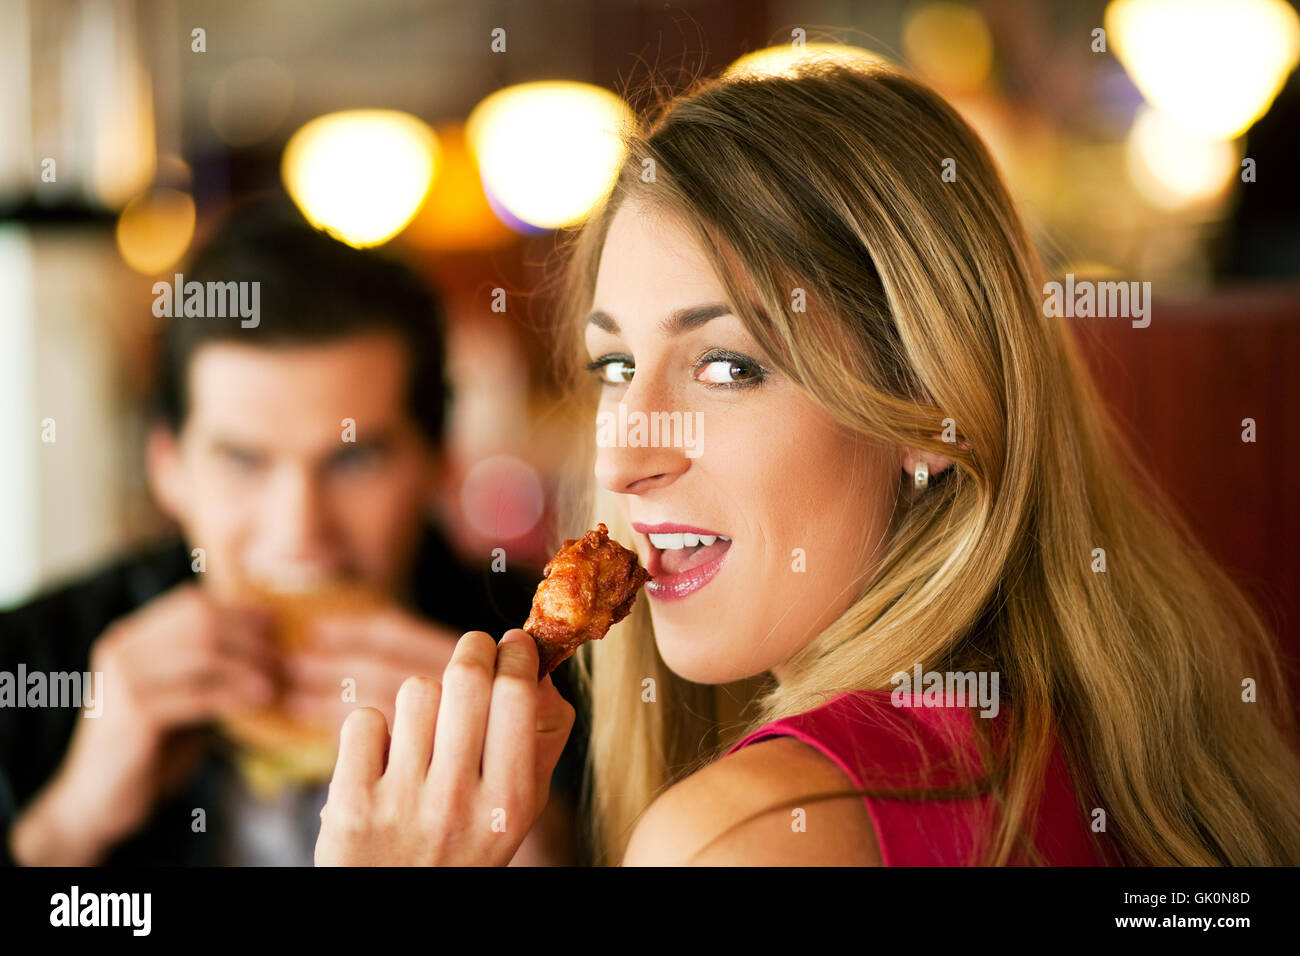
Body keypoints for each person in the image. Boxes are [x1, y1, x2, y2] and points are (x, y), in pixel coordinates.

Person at [313, 60, 1300, 866]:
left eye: (727, 364)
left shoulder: (738, 836)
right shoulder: (1116, 741)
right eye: (615, 364)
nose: (625, 447)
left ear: (934, 408)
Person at [0, 201, 584, 866]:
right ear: (167, 467)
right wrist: (69, 821)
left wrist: (526, 830)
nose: (300, 528)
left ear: (438, 461)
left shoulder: (567, 677)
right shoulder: (31, 664)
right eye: (243, 460)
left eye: (354, 459)